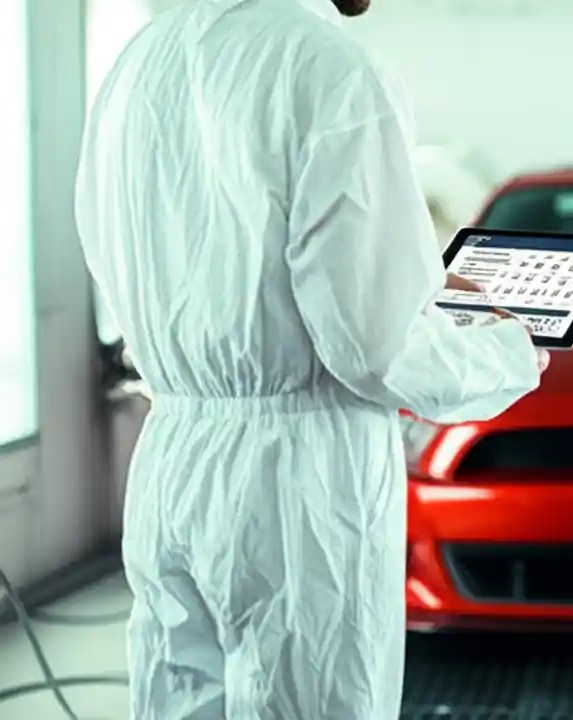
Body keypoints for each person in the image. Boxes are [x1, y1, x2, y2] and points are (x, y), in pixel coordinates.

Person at [74, 0, 546, 717]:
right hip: (300, 479)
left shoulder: (140, 64)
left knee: (178, 698)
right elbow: (374, 349)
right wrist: (509, 351)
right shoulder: (332, 70)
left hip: (174, 455)